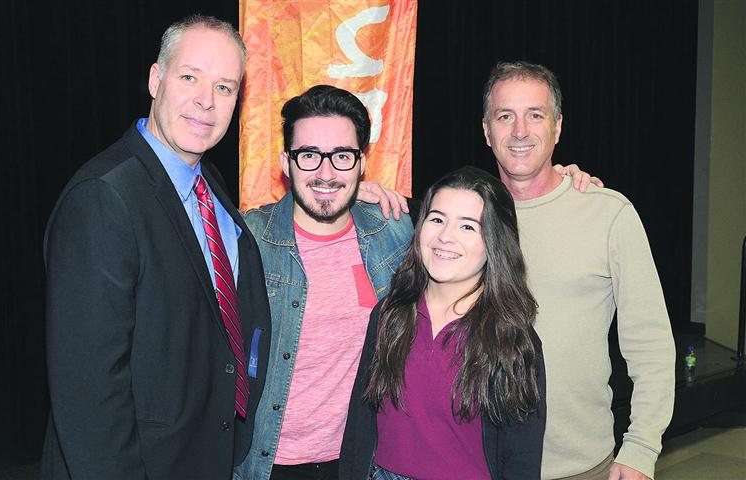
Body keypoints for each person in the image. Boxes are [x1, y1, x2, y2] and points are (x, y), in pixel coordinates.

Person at [41, 15, 271, 479]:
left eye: (224, 87)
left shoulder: (208, 182)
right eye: (190, 77)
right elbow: (89, 393)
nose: (206, 101)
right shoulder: (103, 197)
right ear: (155, 79)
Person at [481, 61, 674, 480]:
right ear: (486, 130)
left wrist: (641, 448)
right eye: (505, 116)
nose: (519, 131)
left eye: (535, 115)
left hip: (582, 466)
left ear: (558, 127)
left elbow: (651, 345)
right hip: (476, 463)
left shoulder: (608, 214)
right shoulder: (463, 216)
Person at [234, 85, 415, 480]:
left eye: (342, 156)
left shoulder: (394, 231)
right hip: (267, 464)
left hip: (362, 462)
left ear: (361, 163)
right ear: (286, 163)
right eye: (309, 155)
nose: (326, 173)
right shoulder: (248, 240)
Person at [339, 166, 546, 479]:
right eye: (437, 219)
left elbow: (522, 460)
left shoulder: (512, 338)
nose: (445, 237)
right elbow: (359, 423)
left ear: (495, 242)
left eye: (468, 226)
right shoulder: (389, 314)